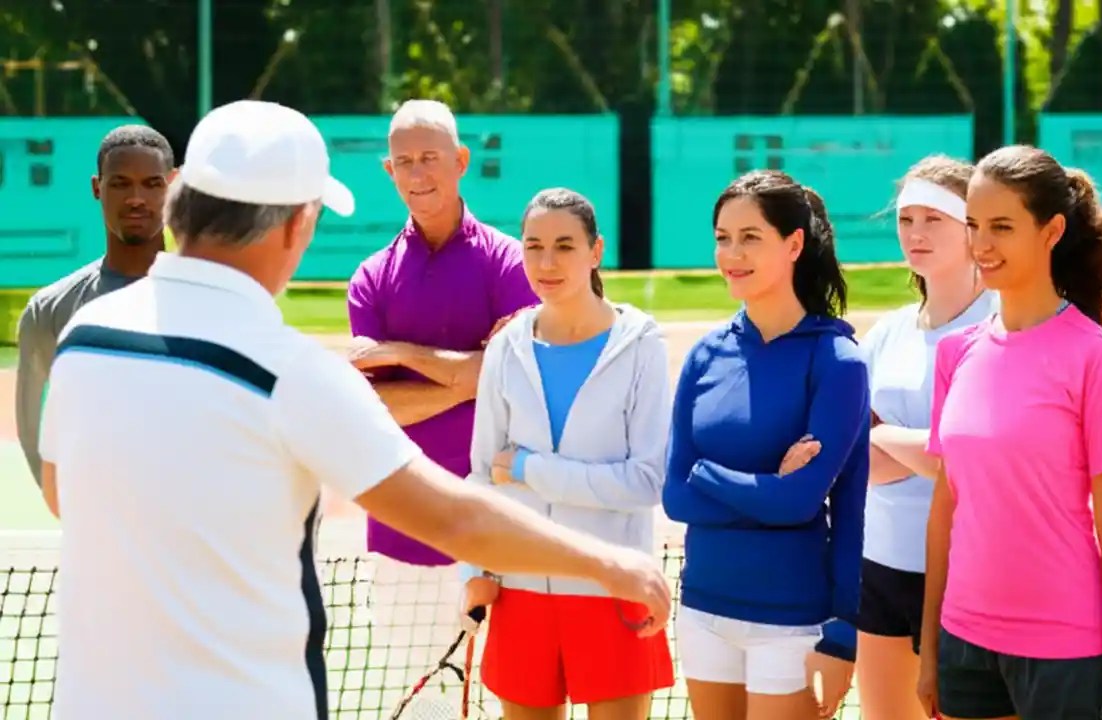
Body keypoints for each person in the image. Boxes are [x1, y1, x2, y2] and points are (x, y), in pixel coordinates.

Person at [36, 99, 670, 720]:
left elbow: (68, 495)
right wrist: (613, 565)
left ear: (180, 205)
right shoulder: (293, 372)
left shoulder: (85, 336)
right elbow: (453, 521)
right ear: (297, 225)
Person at [916, 145, 1102, 720]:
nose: (982, 245)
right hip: (964, 641)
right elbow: (946, 505)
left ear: (1051, 231)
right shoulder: (957, 353)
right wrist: (931, 648)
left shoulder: (1096, 356)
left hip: (1067, 648)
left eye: (1002, 227)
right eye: (974, 225)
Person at [458, 188, 676, 719]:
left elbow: (647, 481)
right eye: (533, 247)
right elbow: (483, 476)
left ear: (595, 251)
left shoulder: (642, 343)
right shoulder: (506, 348)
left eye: (564, 246)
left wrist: (534, 470)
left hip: (614, 586)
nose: (546, 263)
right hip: (518, 594)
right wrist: (472, 571)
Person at [662, 169, 870, 720]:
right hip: (703, 608)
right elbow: (674, 499)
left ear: (794, 243)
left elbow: (820, 506)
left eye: (750, 237)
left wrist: (843, 631)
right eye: (722, 238)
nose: (732, 253)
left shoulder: (837, 362)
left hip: (793, 620)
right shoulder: (704, 356)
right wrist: (770, 488)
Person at [344, 99, 539, 688]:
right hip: (399, 532)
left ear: (460, 161)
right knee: (420, 701)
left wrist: (404, 356)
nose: (418, 173)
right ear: (389, 171)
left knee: (510, 700)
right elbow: (375, 406)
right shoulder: (371, 277)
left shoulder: (510, 261)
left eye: (431, 158)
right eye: (404, 162)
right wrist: (471, 376)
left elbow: (516, 381)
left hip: (501, 526)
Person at [855, 155, 995, 720]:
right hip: (881, 565)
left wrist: (885, 435)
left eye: (933, 218)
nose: (915, 232)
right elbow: (859, 460)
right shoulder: (886, 332)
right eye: (906, 218)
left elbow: (967, 461)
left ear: (972, 228)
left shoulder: (1001, 326)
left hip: (973, 573)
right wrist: (920, 445)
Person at [15, 124, 175, 484]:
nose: (136, 198)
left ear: (173, 186)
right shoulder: (51, 309)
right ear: (97, 188)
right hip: (97, 528)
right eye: (120, 183)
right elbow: (32, 428)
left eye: (152, 184)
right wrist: (68, 507)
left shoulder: (207, 300)